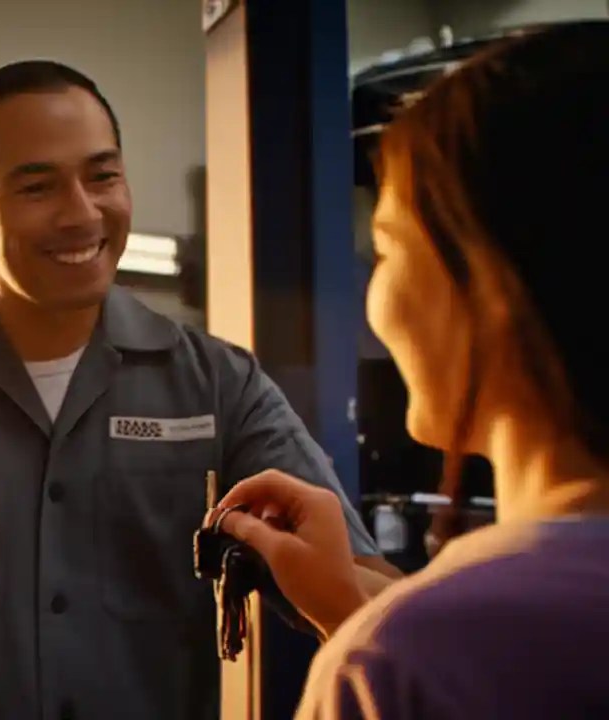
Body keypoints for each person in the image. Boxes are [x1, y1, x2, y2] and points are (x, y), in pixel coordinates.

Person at [0, 60, 396, 720]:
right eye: (37, 187)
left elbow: (367, 592)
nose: (82, 214)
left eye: (102, 175)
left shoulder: (220, 386)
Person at [212, 22, 609, 719]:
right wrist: (355, 613)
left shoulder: (406, 663)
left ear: (491, 289)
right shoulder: (412, 653)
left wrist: (373, 652)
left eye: (389, 249)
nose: (376, 300)